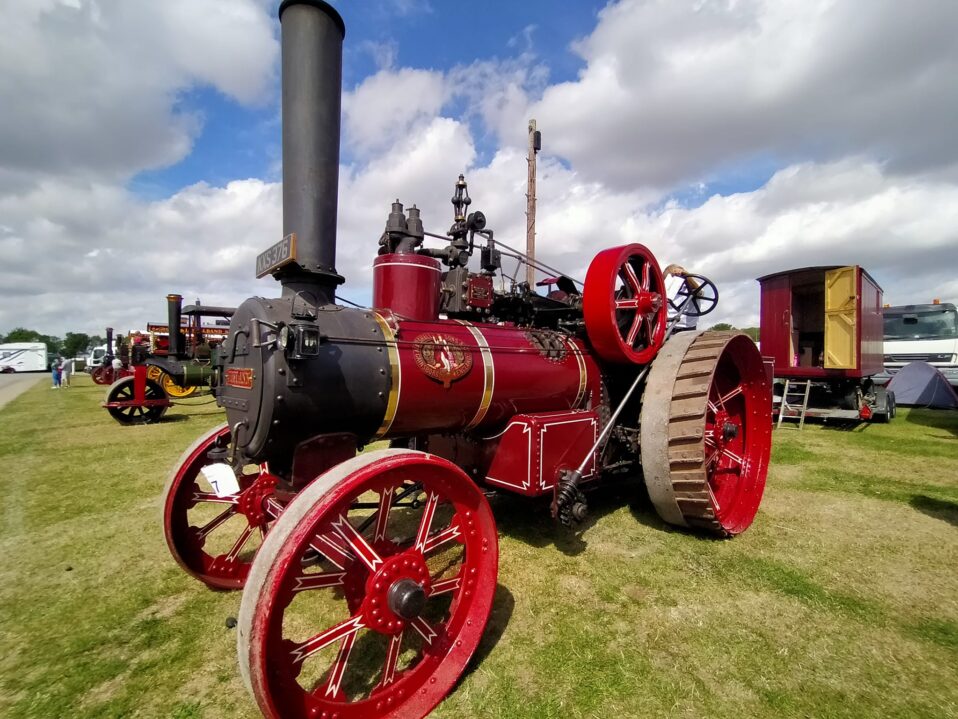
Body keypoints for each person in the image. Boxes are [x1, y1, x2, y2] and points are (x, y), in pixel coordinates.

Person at [663, 264, 700, 332]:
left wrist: (686, 275)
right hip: (667, 329)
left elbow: (699, 292)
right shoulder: (665, 290)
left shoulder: (694, 287)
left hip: (687, 330)